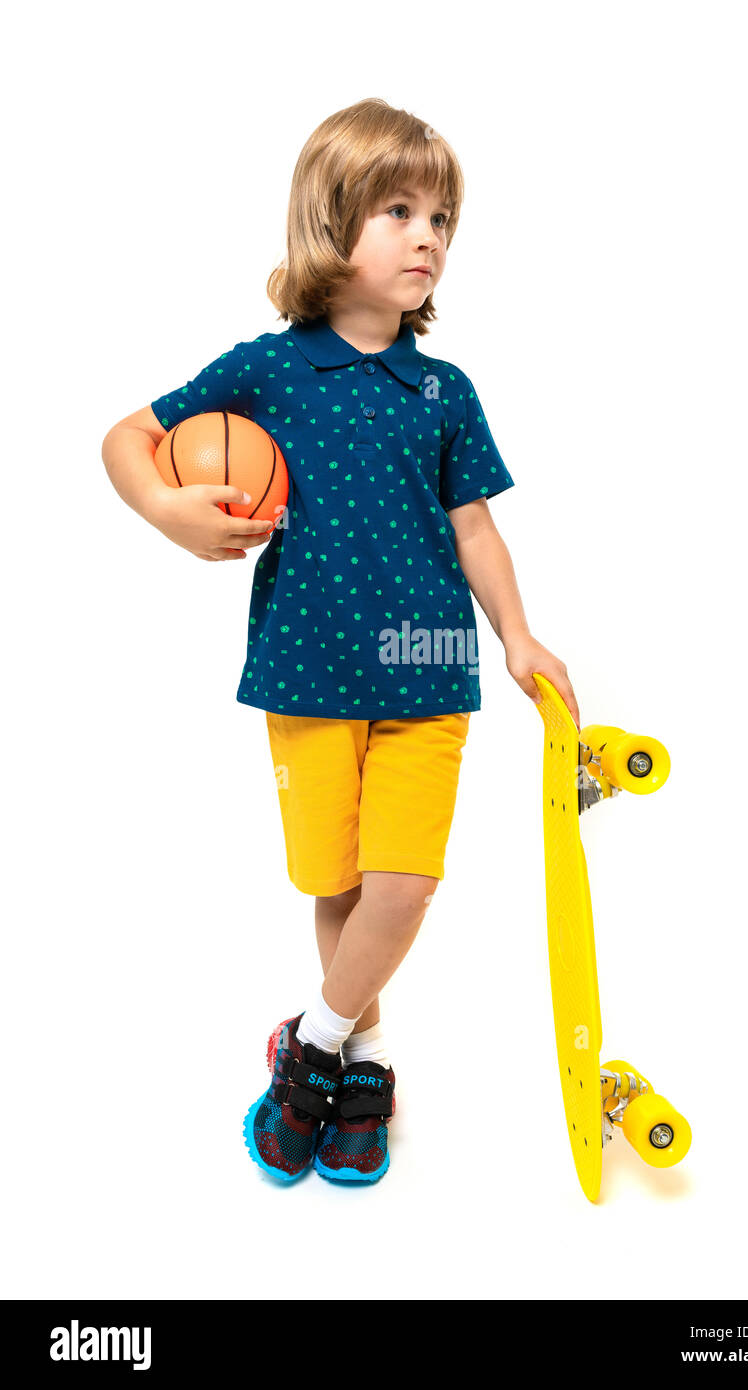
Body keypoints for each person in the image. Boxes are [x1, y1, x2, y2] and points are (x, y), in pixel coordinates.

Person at [102, 97, 579, 1186]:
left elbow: (474, 525)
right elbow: (126, 436)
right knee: (337, 882)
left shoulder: (442, 390)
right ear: (329, 226)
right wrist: (164, 509)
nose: (428, 236)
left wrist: (516, 636)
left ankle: (309, 1047)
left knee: (402, 884)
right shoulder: (266, 372)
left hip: (426, 673)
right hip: (305, 675)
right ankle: (359, 1055)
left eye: (442, 217)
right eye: (399, 210)